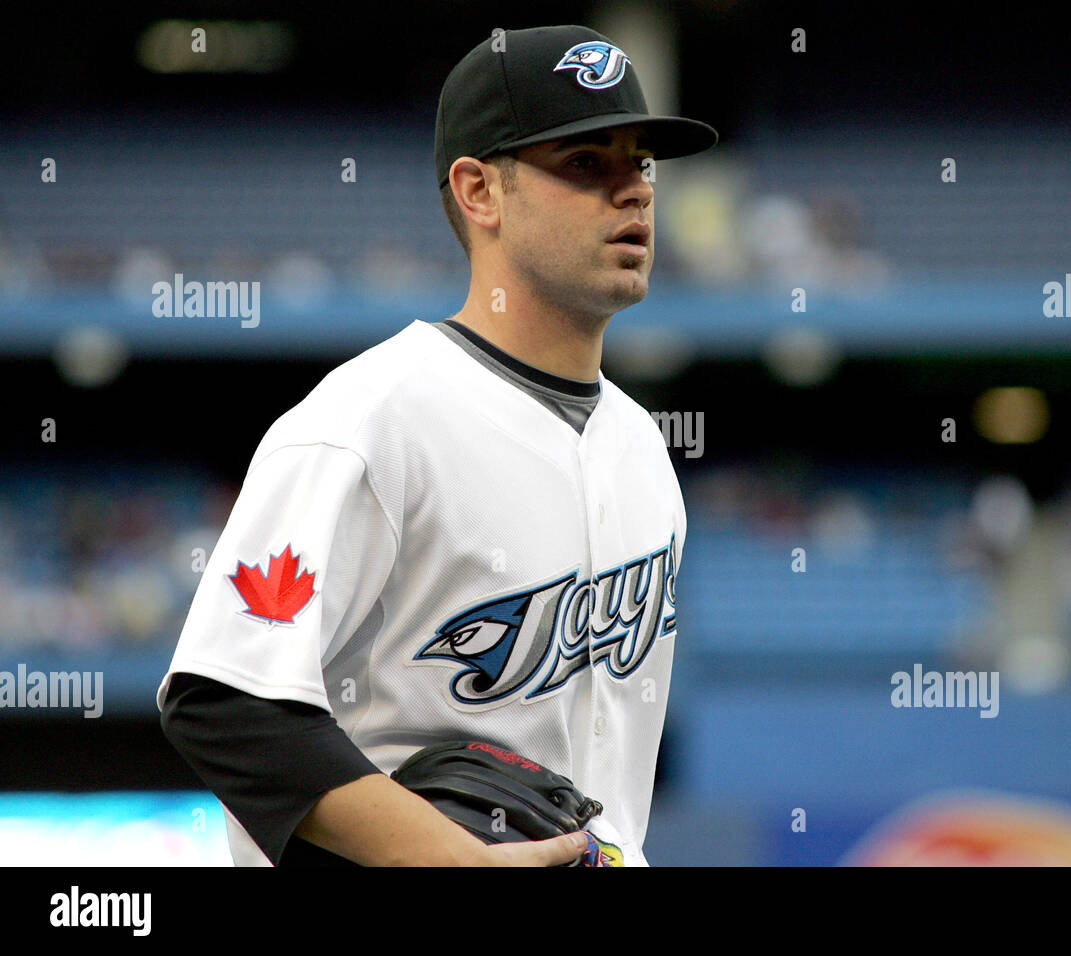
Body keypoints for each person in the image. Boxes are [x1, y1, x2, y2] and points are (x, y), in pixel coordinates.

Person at [157, 24, 718, 867]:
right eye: (584, 164)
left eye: (638, 162)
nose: (633, 192)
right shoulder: (369, 420)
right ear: (479, 191)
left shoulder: (641, 444)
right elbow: (224, 699)